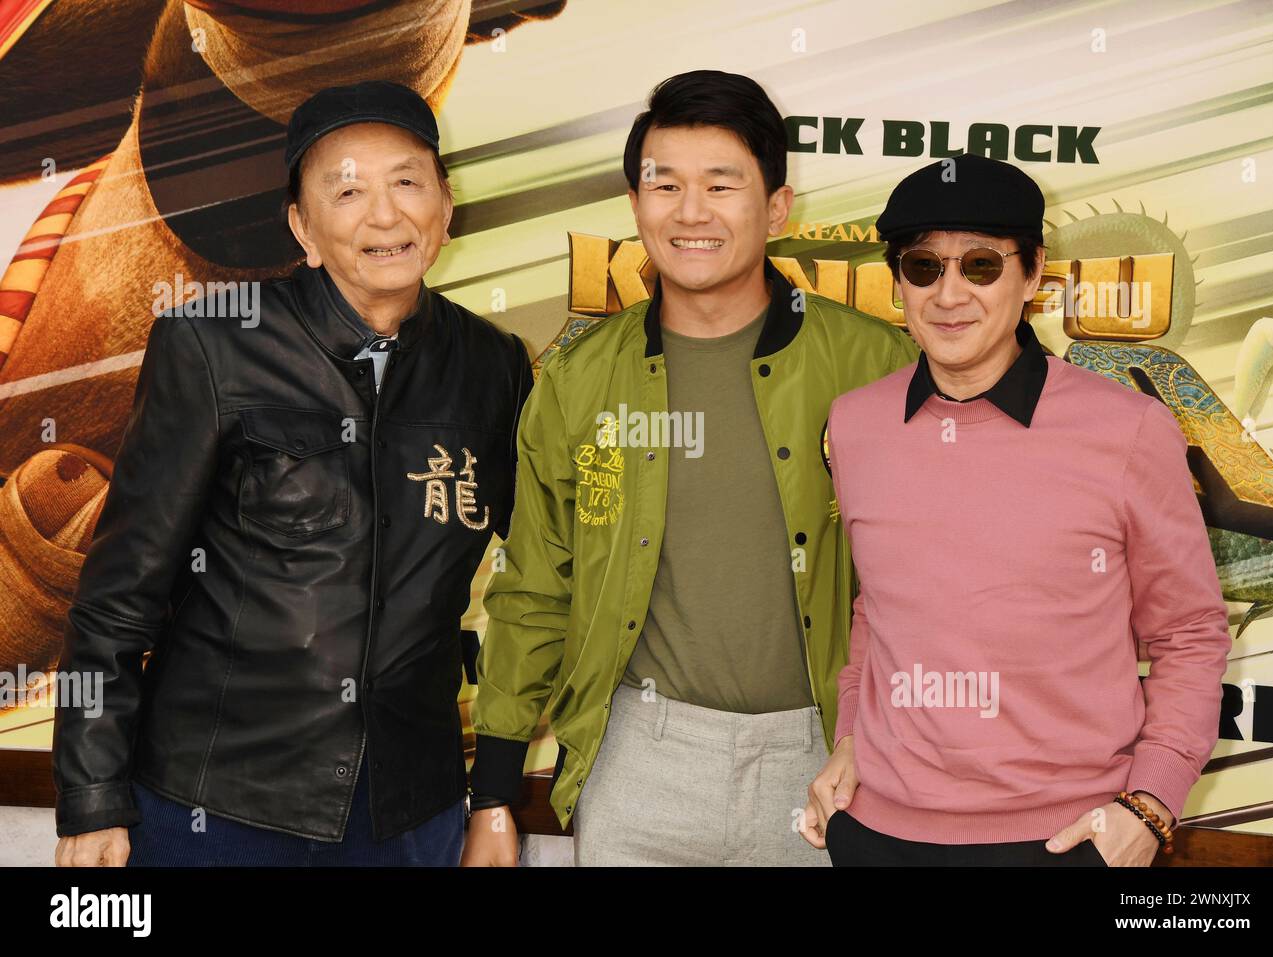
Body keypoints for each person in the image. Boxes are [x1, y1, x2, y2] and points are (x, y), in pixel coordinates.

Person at [52, 80, 532, 866]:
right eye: (347, 191)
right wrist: (93, 797)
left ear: (445, 206)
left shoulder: (491, 365)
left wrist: (497, 794)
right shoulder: (212, 345)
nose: (385, 215)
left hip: (409, 809)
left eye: (408, 182)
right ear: (302, 228)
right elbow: (116, 598)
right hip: (220, 800)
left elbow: (545, 581)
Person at [462, 70, 917, 867]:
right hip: (640, 754)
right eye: (663, 184)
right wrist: (495, 792)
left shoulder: (874, 362)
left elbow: (940, 579)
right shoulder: (580, 377)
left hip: (829, 756)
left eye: (721, 183)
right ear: (635, 207)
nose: (691, 210)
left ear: (777, 207)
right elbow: (536, 586)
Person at [802, 152, 1231, 866]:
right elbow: (877, 609)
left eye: (980, 266)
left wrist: (1150, 804)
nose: (948, 294)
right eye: (922, 266)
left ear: (1032, 275)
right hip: (876, 832)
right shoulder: (854, 425)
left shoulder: (1128, 430)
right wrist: (851, 734)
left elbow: (1189, 632)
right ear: (898, 281)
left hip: (1064, 842)